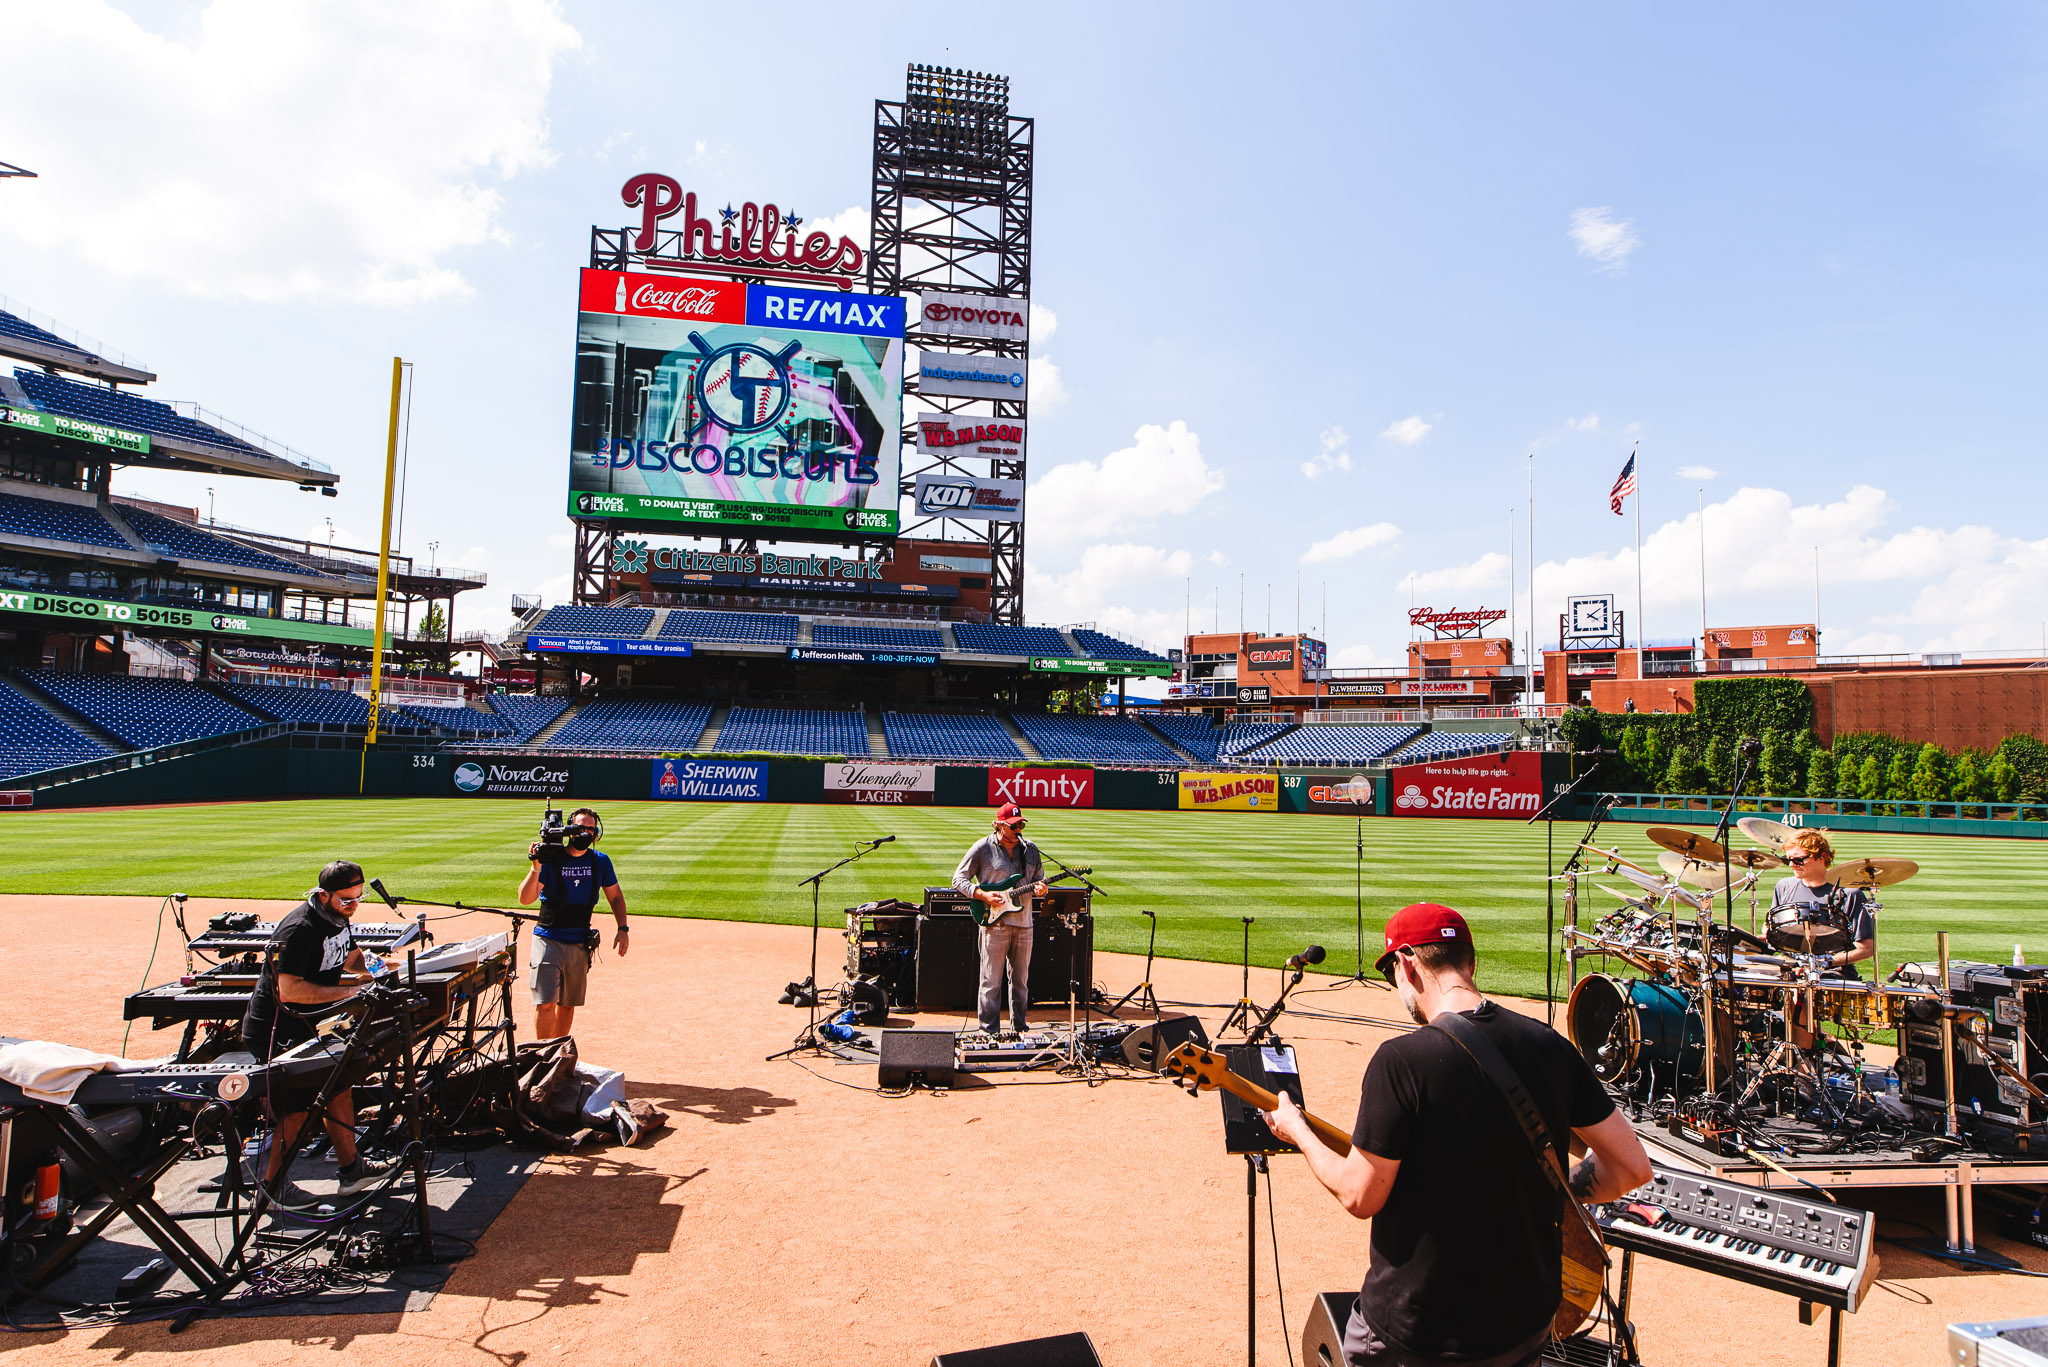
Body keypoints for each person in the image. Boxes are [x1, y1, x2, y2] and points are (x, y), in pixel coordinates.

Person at [1265, 904, 1652, 1367]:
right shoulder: (1551, 1046)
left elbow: (1359, 1195)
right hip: (1524, 1325)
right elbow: (1631, 1167)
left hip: (1420, 1332)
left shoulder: (1402, 1060)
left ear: (1406, 963)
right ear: (1470, 963)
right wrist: (1560, 1190)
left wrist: (1298, 1131)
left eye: (1392, 975)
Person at [239, 860, 400, 1203]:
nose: (353, 905)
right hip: (277, 1029)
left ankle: (351, 1171)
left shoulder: (337, 918)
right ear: (323, 895)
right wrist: (351, 993)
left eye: (358, 898)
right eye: (346, 900)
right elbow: (290, 991)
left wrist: (382, 971)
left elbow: (350, 957)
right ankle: (270, 1189)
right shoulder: (299, 929)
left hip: (314, 1023)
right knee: (297, 1108)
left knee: (338, 1088)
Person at [517, 807, 629, 1040]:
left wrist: (622, 928)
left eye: (590, 828)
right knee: (546, 1003)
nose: (586, 833)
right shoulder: (551, 859)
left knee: (567, 1005)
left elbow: (615, 896)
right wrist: (536, 867)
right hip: (548, 938)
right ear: (569, 830)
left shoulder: (600, 862)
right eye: (580, 828)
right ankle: (545, 1057)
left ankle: (559, 1056)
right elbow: (525, 898)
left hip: (579, 941)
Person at [952, 802, 1047, 1037]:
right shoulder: (983, 848)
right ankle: (989, 1032)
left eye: (1021, 824)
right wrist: (981, 894)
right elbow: (958, 878)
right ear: (999, 825)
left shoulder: (1031, 849)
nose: (1018, 830)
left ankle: (1020, 1030)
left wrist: (1042, 890)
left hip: (1025, 923)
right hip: (995, 924)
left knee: (1021, 982)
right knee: (991, 982)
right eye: (1013, 826)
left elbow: (1039, 879)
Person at [1772, 830, 1876, 976]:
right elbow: (1771, 929)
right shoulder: (1783, 887)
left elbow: (1866, 948)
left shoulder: (1850, 894)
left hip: (1833, 975)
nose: (1792, 865)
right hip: (1790, 971)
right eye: (1787, 860)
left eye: (1798, 860)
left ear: (1822, 857)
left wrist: (1823, 962)